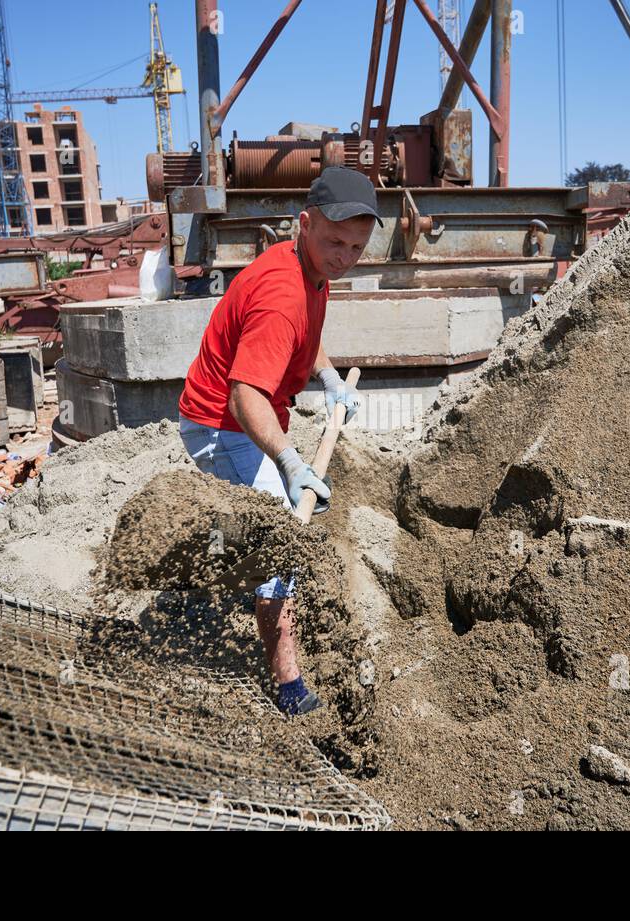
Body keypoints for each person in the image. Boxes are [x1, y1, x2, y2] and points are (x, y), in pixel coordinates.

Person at [178, 166, 381, 715]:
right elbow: (246, 395)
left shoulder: (312, 268)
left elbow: (303, 338)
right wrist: (290, 462)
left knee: (250, 531)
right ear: (304, 223)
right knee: (279, 545)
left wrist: (329, 376)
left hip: (243, 418)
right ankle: (287, 682)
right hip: (222, 428)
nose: (344, 256)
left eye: (356, 247)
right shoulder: (281, 293)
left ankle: (213, 581)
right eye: (334, 242)